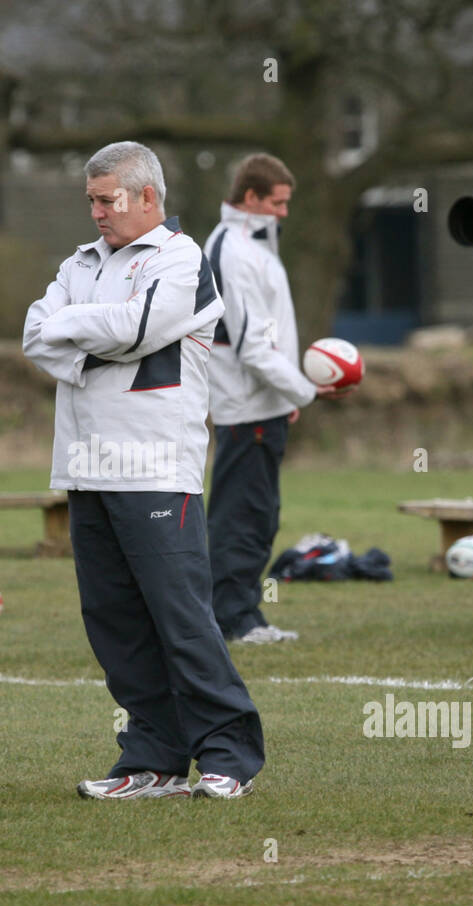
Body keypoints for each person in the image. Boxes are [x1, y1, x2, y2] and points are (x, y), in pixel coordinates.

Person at [23, 141, 265, 799]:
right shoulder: (79, 263)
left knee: (181, 618)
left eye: (108, 199)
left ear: (148, 197)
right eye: (92, 200)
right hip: (85, 467)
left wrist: (72, 330)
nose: (96, 212)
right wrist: (82, 339)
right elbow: (33, 335)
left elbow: (134, 330)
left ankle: (229, 753)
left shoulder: (183, 259)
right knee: (115, 622)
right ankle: (151, 757)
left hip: (156, 466)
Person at [204, 153, 341, 645]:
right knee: (242, 518)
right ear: (251, 198)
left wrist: (288, 396)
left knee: (255, 515)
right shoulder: (235, 251)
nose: (284, 212)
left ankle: (239, 615)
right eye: (277, 203)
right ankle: (232, 621)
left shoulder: (253, 245)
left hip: (264, 404)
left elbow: (269, 336)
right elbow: (251, 345)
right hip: (246, 408)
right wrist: (305, 389)